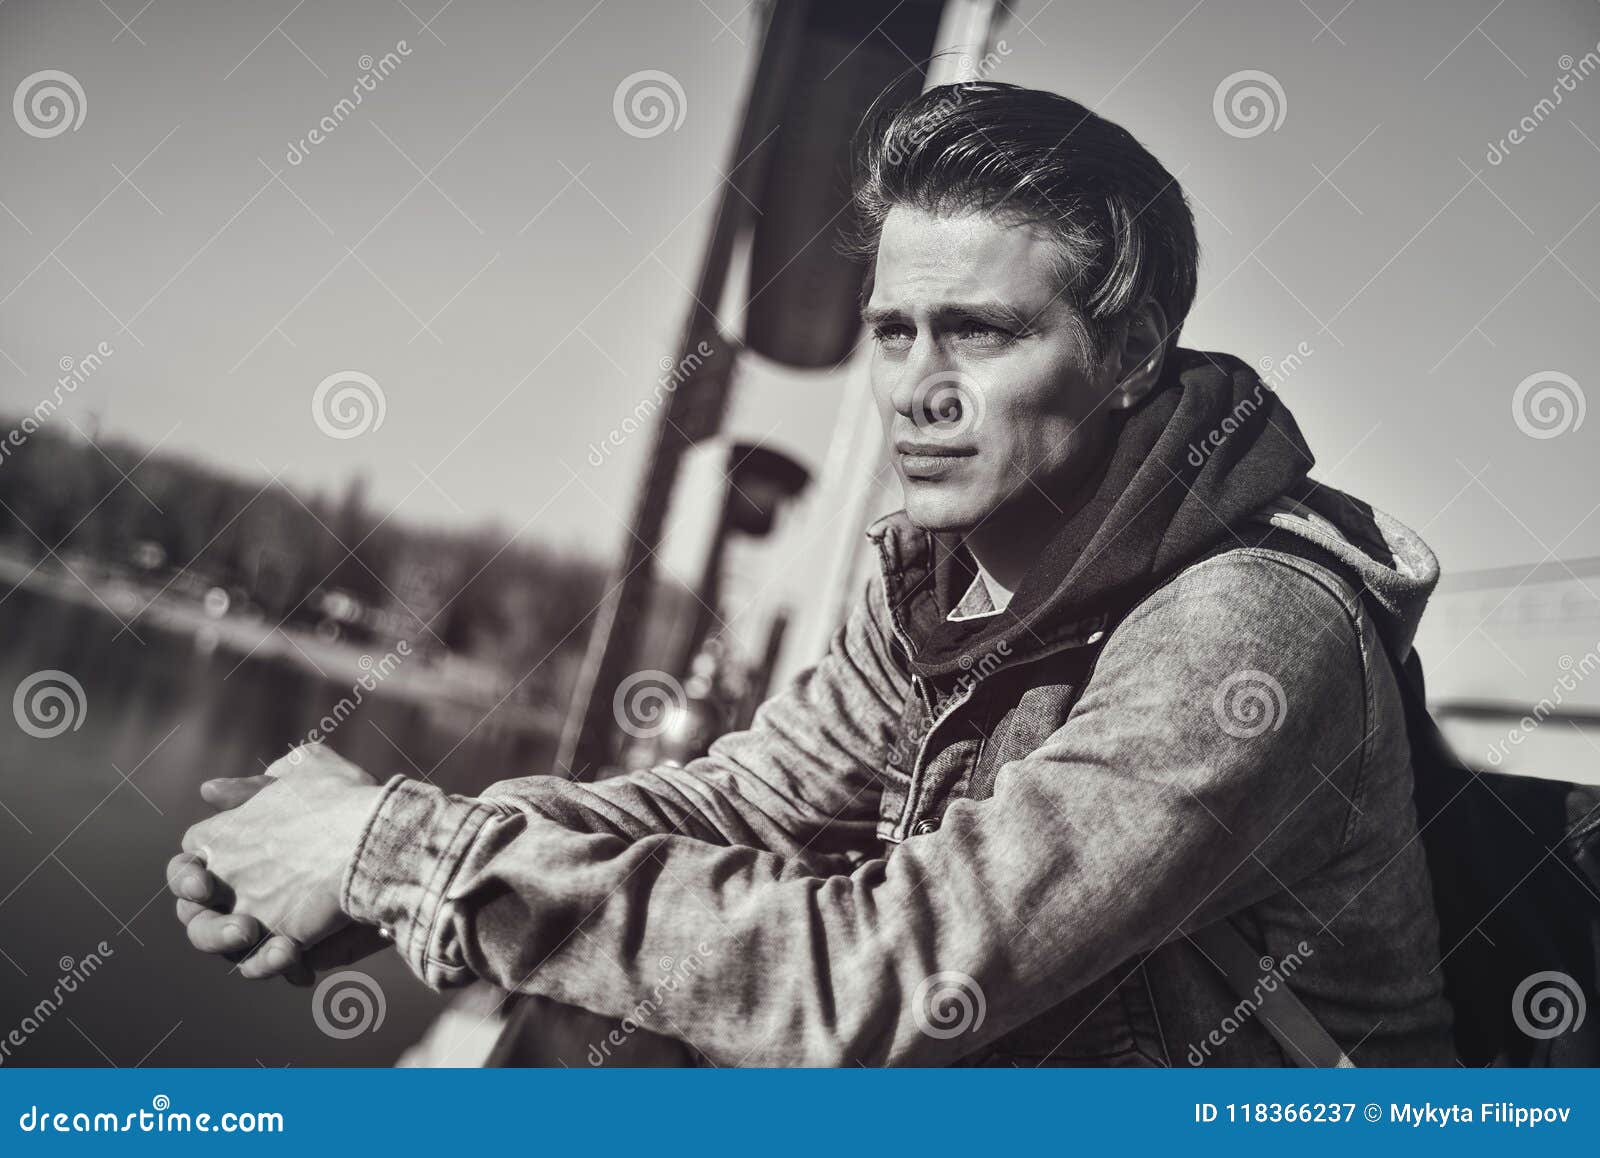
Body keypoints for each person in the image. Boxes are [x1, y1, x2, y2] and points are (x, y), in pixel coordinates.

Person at [166, 83, 1455, 1066]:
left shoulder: (1248, 633)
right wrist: (376, 856)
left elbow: (887, 975)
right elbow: (747, 803)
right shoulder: (939, 585)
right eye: (893, 332)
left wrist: (408, 857)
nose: (917, 390)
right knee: (594, 1033)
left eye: (982, 333)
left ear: (1127, 353)